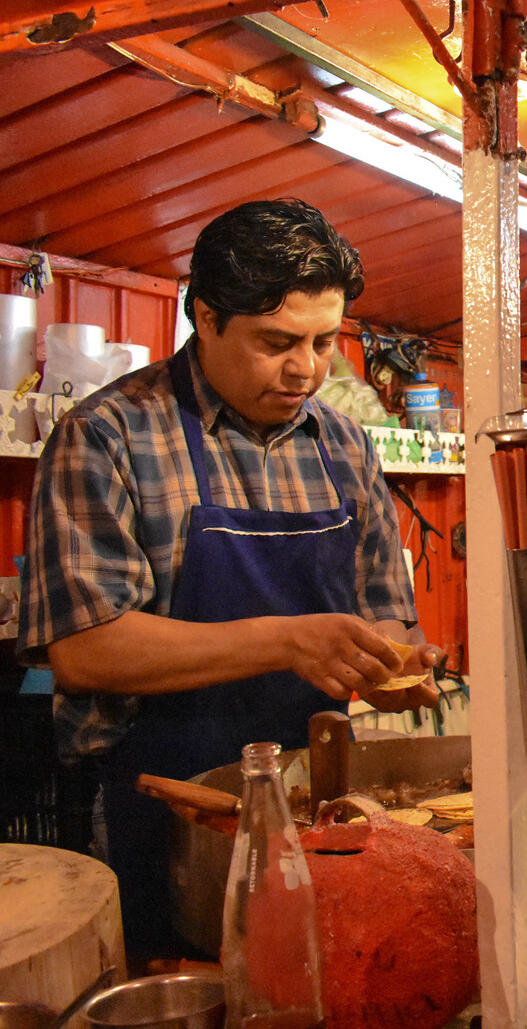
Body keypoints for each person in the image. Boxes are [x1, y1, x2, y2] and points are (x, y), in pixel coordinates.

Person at [19, 198, 444, 957]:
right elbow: (85, 649)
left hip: (317, 809)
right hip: (162, 814)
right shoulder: (107, 434)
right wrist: (287, 641)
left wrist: (390, 662)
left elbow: (386, 612)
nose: (306, 368)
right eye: (277, 342)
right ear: (205, 317)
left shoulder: (343, 444)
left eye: (323, 341)